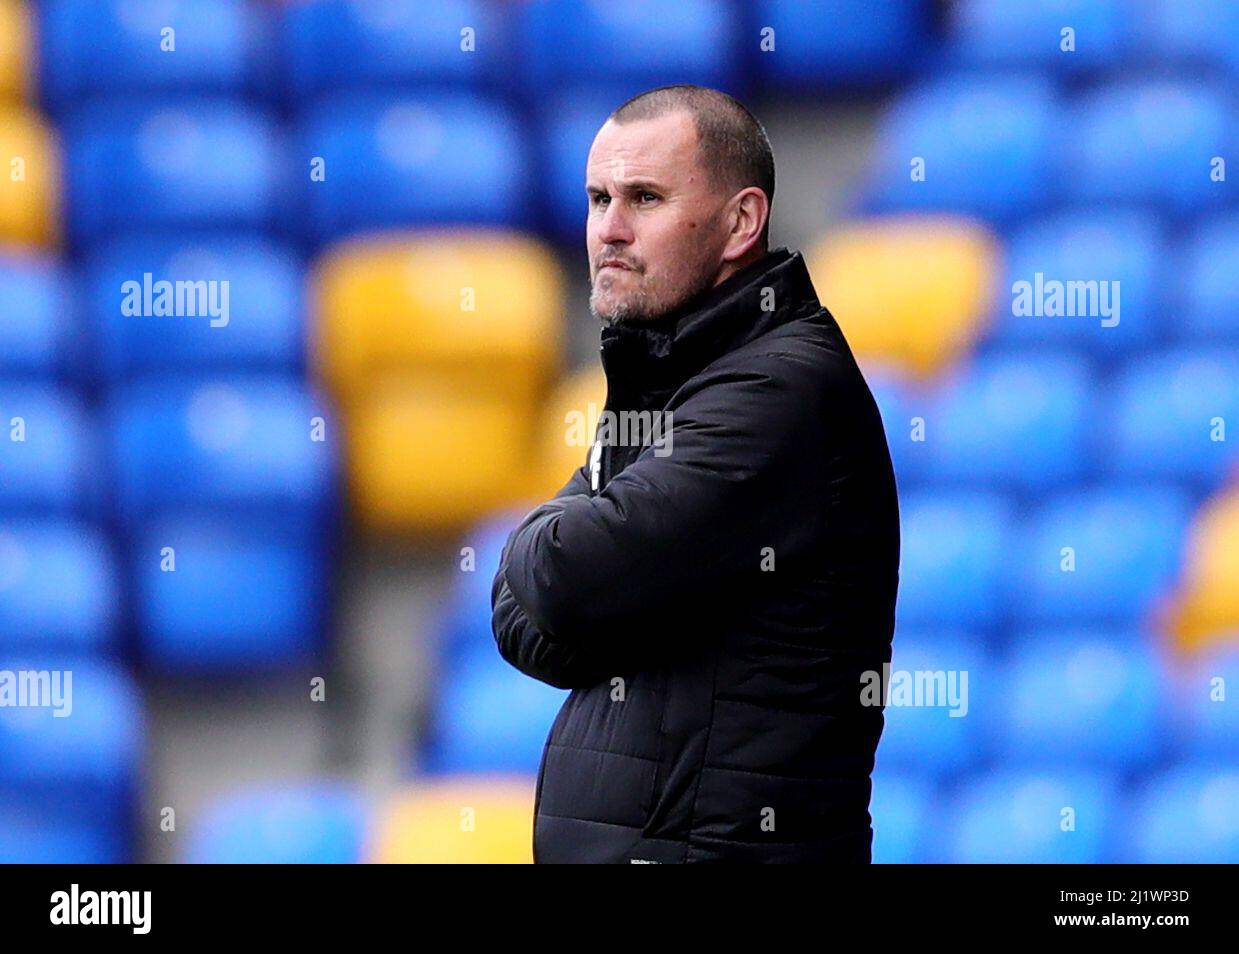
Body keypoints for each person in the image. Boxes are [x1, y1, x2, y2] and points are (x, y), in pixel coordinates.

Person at [492, 85, 900, 863]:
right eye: (596, 198)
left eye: (643, 198)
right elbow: (531, 632)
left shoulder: (776, 393)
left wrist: (539, 550)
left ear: (741, 220)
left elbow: (562, 577)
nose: (608, 229)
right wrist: (559, 568)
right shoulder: (676, 376)